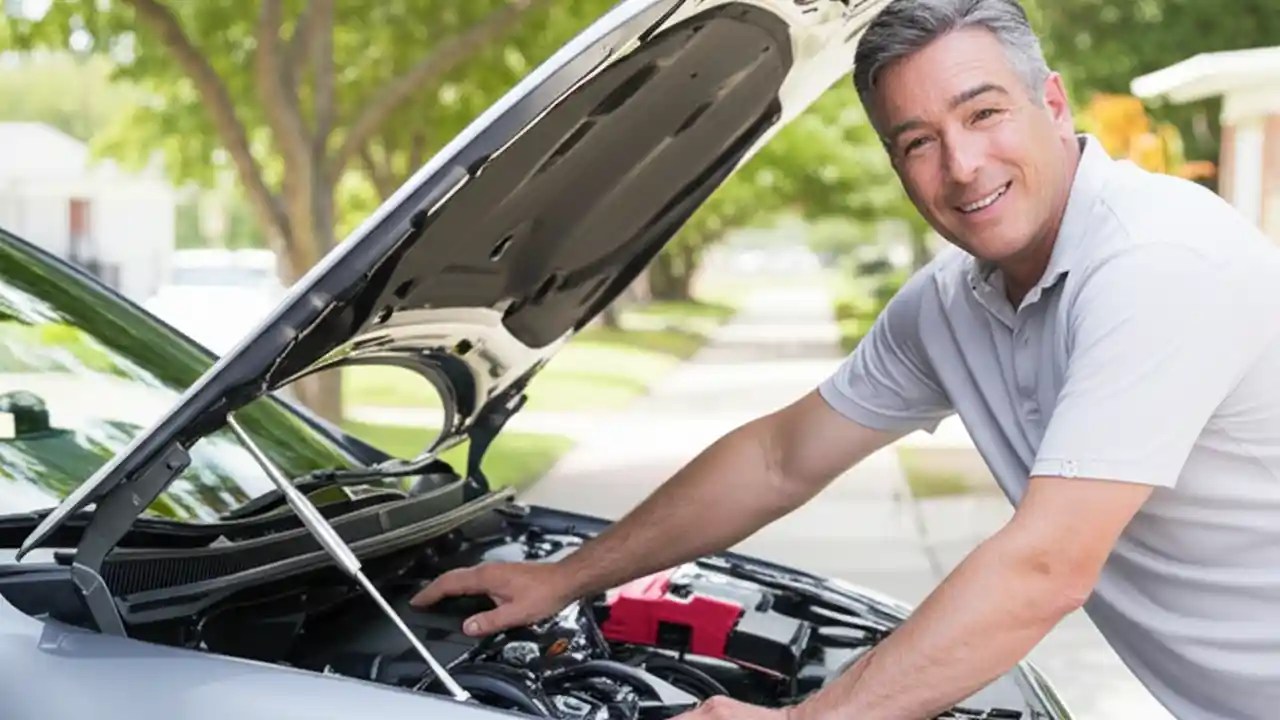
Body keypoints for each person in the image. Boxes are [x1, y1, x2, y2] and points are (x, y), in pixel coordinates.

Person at [412, 1, 1280, 717]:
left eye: (984, 113)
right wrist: (566, 578)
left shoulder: (1158, 264)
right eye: (918, 141)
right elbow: (779, 458)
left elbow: (1045, 566)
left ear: (1052, 104)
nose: (962, 164)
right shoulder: (951, 303)